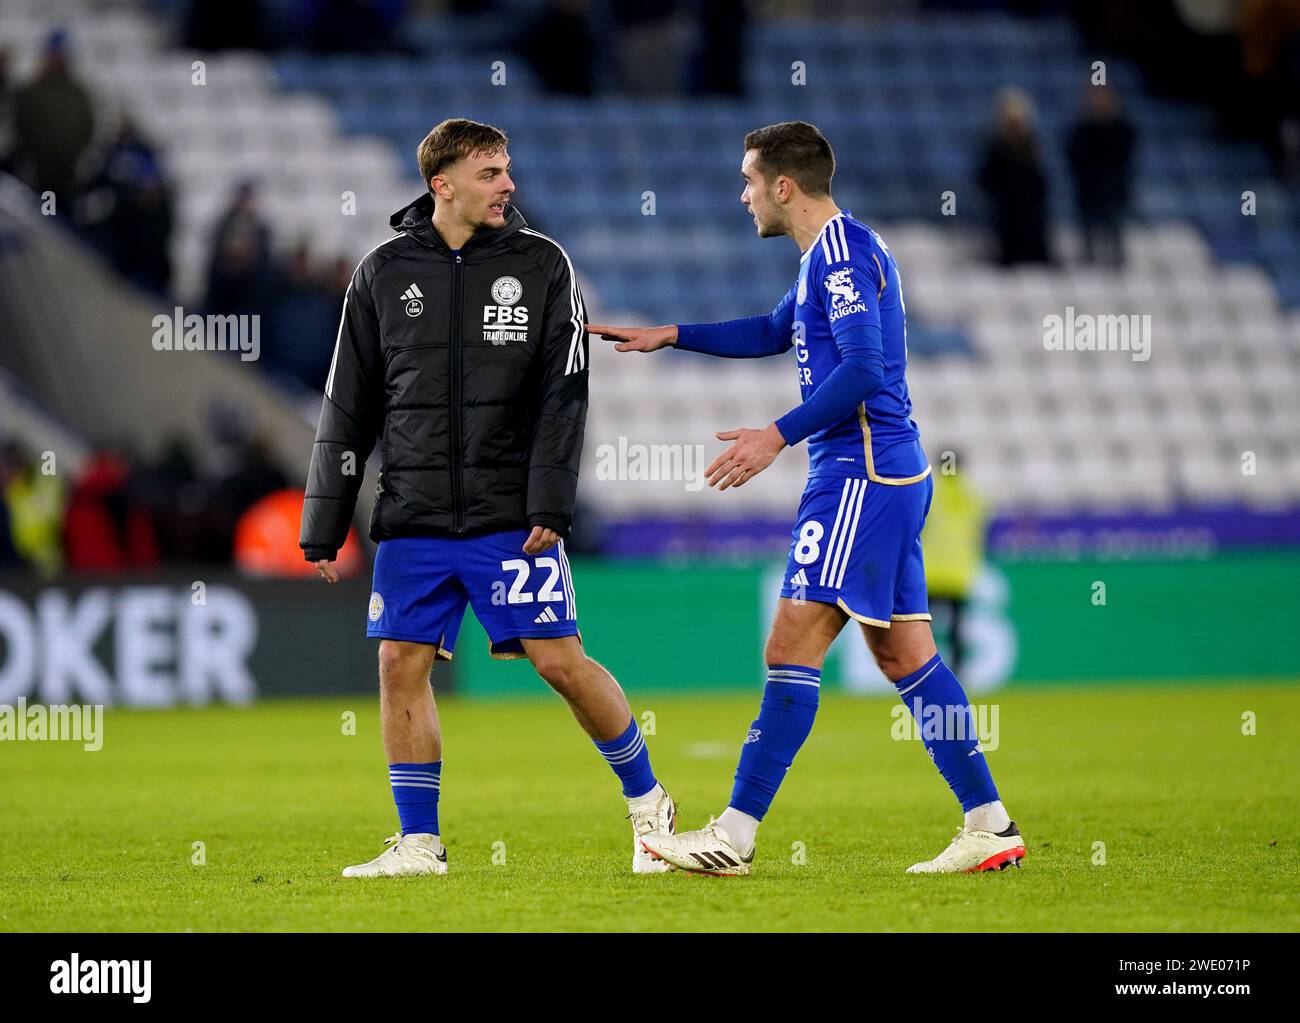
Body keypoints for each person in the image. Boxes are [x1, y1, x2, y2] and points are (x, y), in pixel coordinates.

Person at [589, 121, 1024, 875]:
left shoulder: (843, 256)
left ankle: (734, 834)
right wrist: (673, 333)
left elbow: (864, 367)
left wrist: (775, 435)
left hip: (859, 474)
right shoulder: (837, 251)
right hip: (885, 472)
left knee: (790, 648)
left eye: (749, 181)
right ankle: (989, 822)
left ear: (783, 186)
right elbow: (773, 328)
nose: (743, 195)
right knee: (906, 653)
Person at [299, 118, 675, 878]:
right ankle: (418, 842)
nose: (507, 183)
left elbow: (564, 397)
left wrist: (550, 505)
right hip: (412, 514)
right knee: (401, 663)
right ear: (443, 184)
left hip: (511, 516)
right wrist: (325, 518)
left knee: (560, 662)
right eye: (490, 172)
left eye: (507, 169)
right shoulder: (381, 272)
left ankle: (650, 809)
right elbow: (349, 404)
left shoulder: (543, 266)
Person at [921, 454, 989, 677]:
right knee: (957, 629)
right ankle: (958, 675)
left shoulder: (930, 491)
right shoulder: (972, 496)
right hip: (959, 574)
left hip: (930, 572)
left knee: (921, 629)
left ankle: (923, 674)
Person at [976, 88, 1052, 266]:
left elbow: (1040, 181)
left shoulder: (1032, 147)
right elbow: (987, 179)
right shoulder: (994, 148)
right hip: (1006, 216)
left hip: (1030, 216)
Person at [1067, 86, 1136, 268]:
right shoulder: (1082, 130)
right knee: (1088, 242)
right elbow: (1074, 157)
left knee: (1115, 239)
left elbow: (1124, 156)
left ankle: (1118, 270)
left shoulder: (1121, 129)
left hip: (1115, 193)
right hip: (1088, 192)